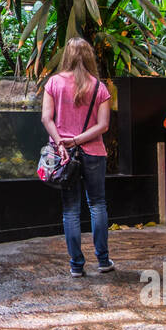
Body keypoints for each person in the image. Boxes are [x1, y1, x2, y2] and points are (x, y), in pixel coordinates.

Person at [41, 37, 112, 276]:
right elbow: (103, 126)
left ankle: (76, 266)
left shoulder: (54, 83)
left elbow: (46, 118)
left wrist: (62, 142)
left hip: (64, 156)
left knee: (70, 209)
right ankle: (103, 261)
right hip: (93, 153)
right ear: (89, 56)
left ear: (67, 57)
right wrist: (79, 140)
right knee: (97, 204)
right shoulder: (99, 87)